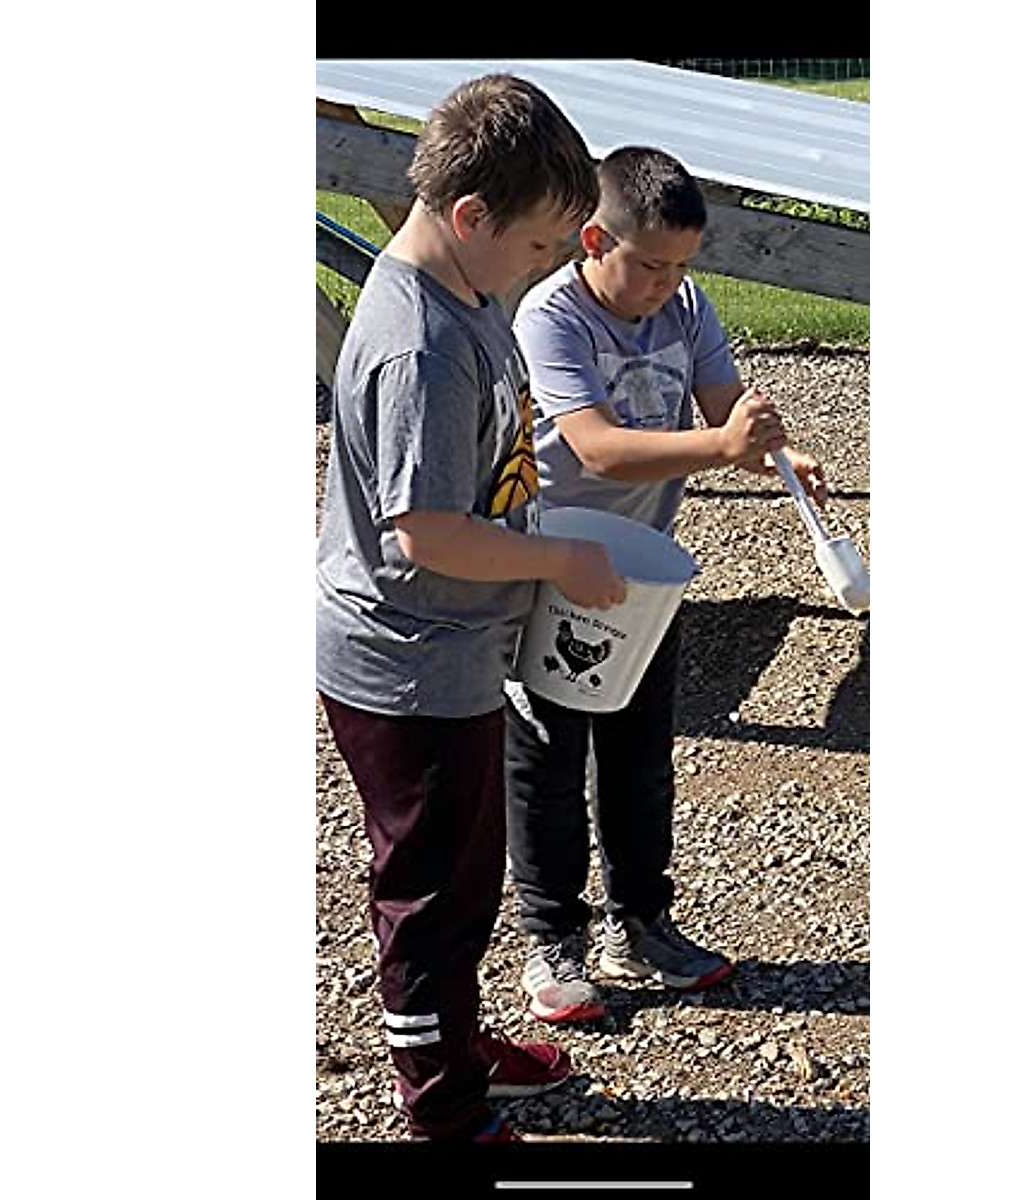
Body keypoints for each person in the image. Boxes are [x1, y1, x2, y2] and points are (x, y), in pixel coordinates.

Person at [315, 74, 627, 1143]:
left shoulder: (467, 293)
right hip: (403, 661)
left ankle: (451, 1037)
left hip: (451, 646)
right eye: (541, 247)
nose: (548, 268)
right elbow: (428, 531)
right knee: (430, 896)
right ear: (470, 216)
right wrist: (557, 556)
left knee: (464, 873)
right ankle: (440, 1100)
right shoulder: (423, 345)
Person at [505, 145, 829, 1024]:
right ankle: (552, 940)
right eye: (649, 265)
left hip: (645, 564)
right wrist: (721, 448)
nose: (665, 284)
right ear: (593, 239)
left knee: (641, 757)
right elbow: (598, 445)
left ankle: (641, 923)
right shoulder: (551, 317)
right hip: (553, 564)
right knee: (546, 756)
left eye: (682, 265)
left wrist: (775, 453)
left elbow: (723, 406)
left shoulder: (686, 305)